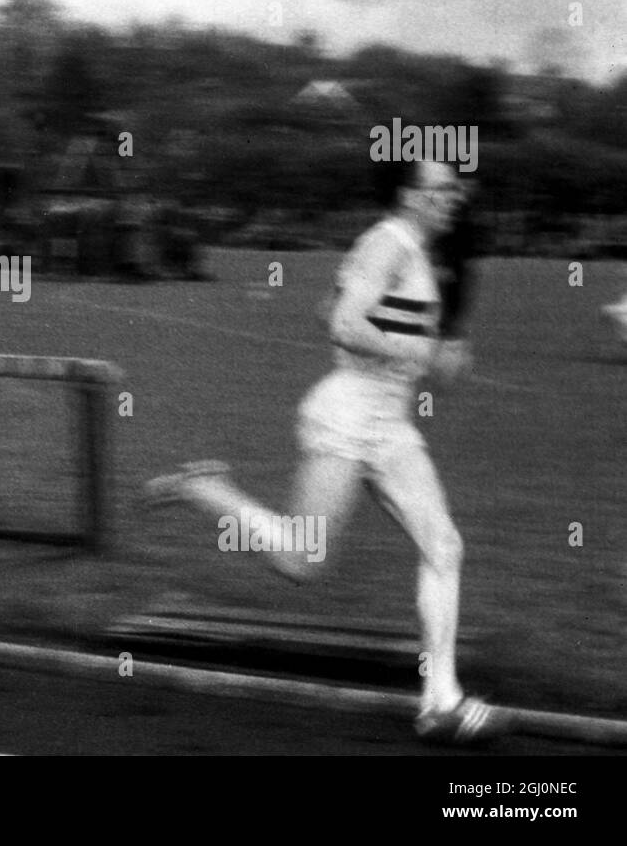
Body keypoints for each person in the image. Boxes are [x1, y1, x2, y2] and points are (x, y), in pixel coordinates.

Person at [145, 159, 507, 744]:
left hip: (389, 423)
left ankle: (440, 700)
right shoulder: (387, 243)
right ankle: (204, 489)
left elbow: (328, 308)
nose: (452, 198)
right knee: (302, 562)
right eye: (440, 190)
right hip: (345, 417)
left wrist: (424, 346)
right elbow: (343, 323)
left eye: (454, 189)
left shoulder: (408, 251)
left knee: (444, 545)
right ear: (406, 196)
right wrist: (422, 353)